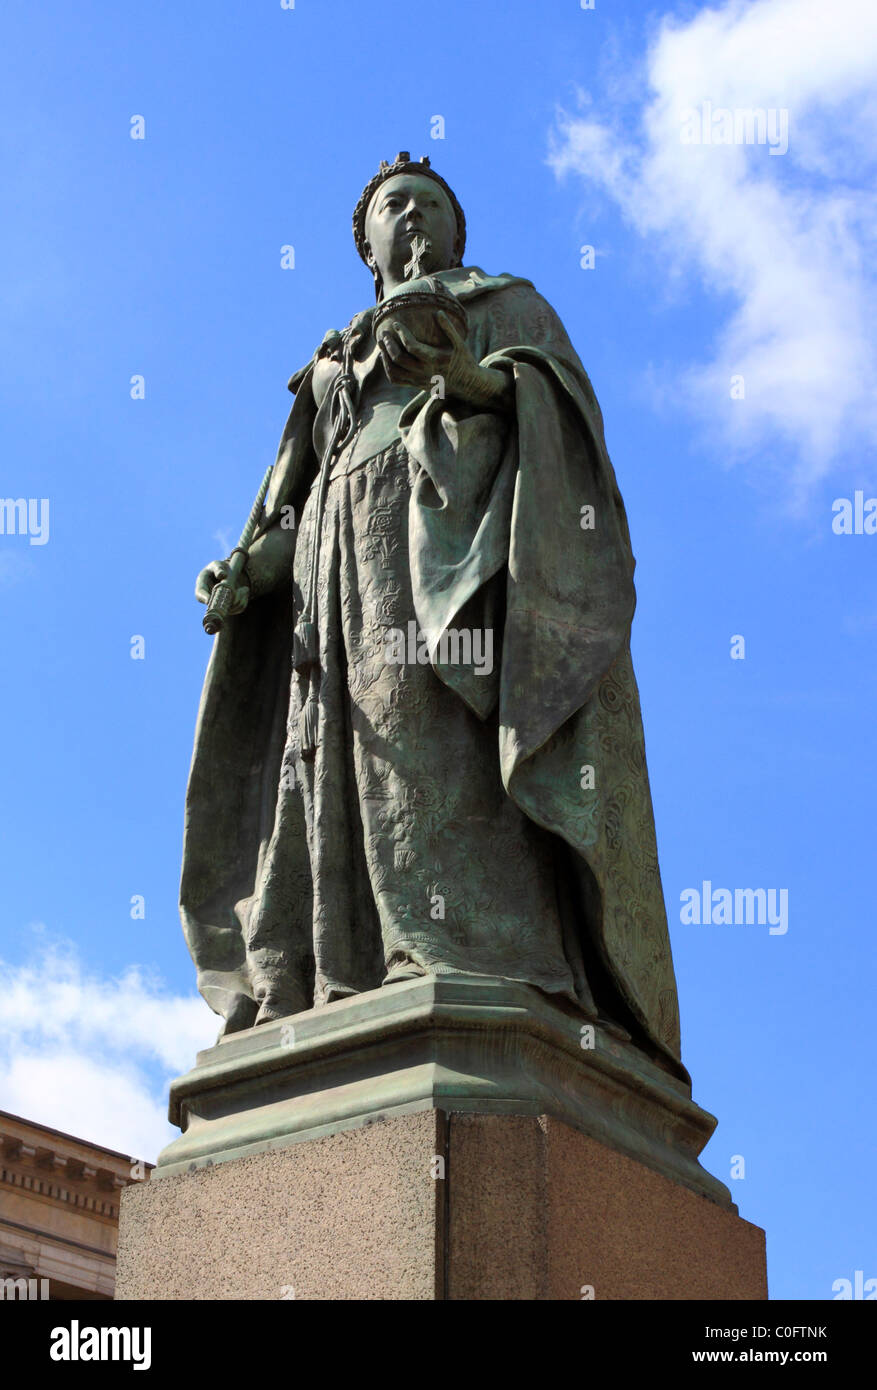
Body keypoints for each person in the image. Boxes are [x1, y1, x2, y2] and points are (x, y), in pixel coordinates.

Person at [185, 152, 687, 1083]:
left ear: (457, 231)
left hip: (449, 558)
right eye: (393, 206)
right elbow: (289, 503)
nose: (413, 217)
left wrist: (470, 377)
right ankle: (338, 971)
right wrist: (250, 568)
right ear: (366, 242)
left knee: (436, 756)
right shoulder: (331, 362)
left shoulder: (503, 305)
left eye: (430, 204)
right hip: (333, 585)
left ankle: (472, 959)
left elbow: (564, 421)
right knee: (335, 767)